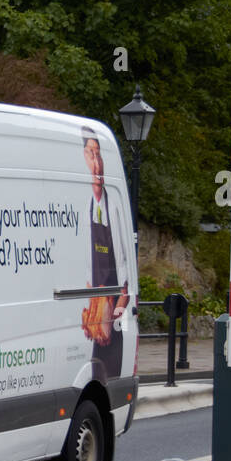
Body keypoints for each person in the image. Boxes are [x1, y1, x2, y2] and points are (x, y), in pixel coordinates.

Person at [81, 127, 130, 381]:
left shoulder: (116, 209)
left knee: (108, 382)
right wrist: (92, 313)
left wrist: (117, 309)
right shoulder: (85, 208)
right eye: (91, 154)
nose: (97, 162)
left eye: (99, 154)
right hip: (96, 318)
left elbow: (126, 270)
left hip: (114, 318)